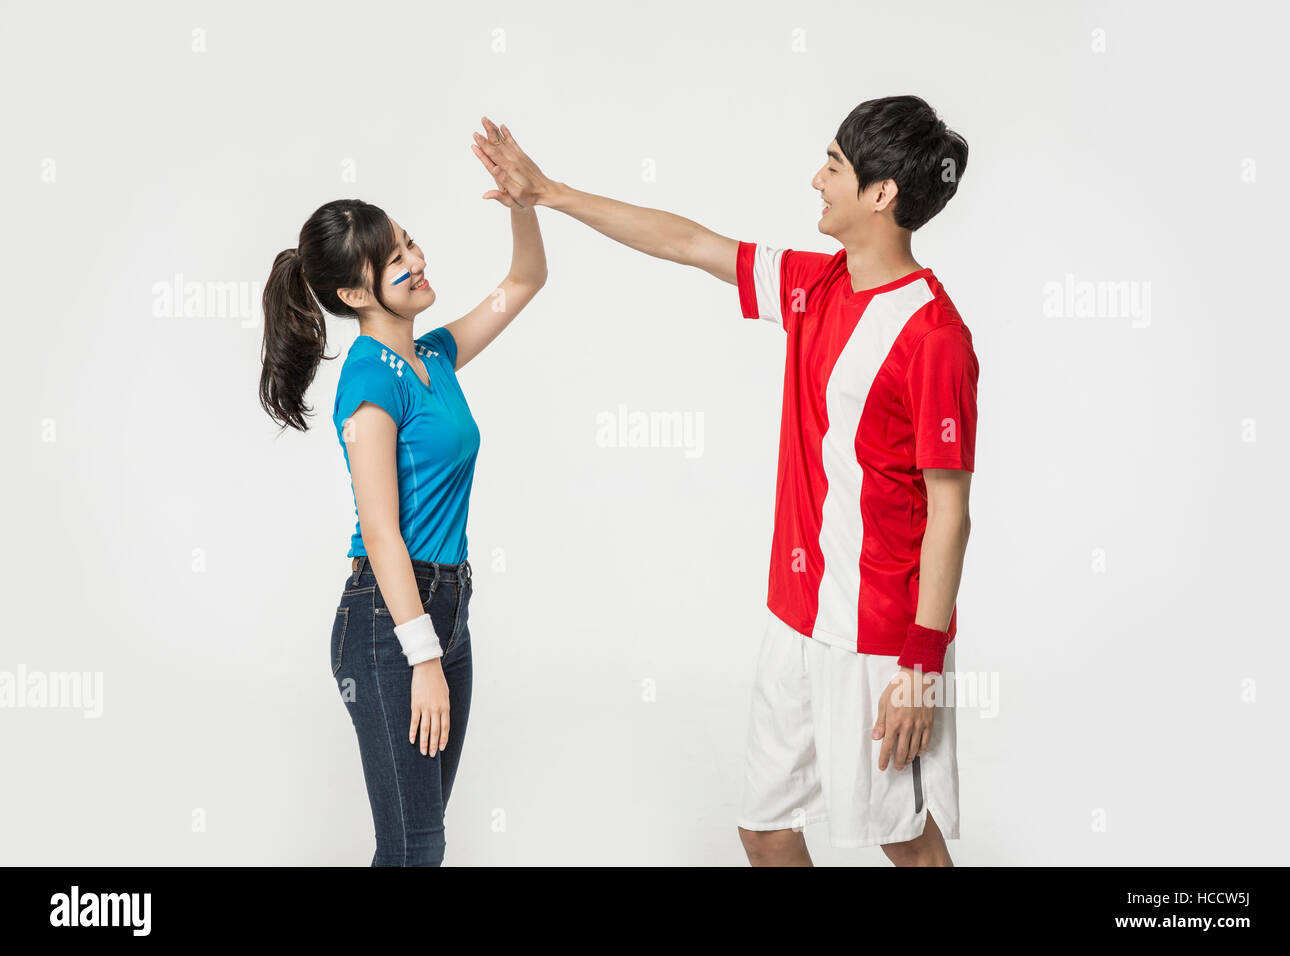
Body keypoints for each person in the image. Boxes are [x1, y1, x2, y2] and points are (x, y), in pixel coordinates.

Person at [468, 96, 976, 866]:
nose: (816, 178)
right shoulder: (816, 285)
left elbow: (951, 514)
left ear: (882, 194)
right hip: (794, 621)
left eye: (834, 165)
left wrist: (921, 665)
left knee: (904, 845)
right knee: (765, 830)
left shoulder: (935, 337)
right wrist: (550, 194)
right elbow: (685, 242)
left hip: (880, 643)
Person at [258, 193, 547, 865]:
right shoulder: (367, 379)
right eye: (395, 260)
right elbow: (383, 531)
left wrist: (524, 201)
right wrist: (422, 656)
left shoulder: (434, 358)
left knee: (419, 846)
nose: (417, 261)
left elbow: (525, 280)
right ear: (355, 292)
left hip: (447, 609)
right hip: (391, 624)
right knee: (415, 847)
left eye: (410, 242)